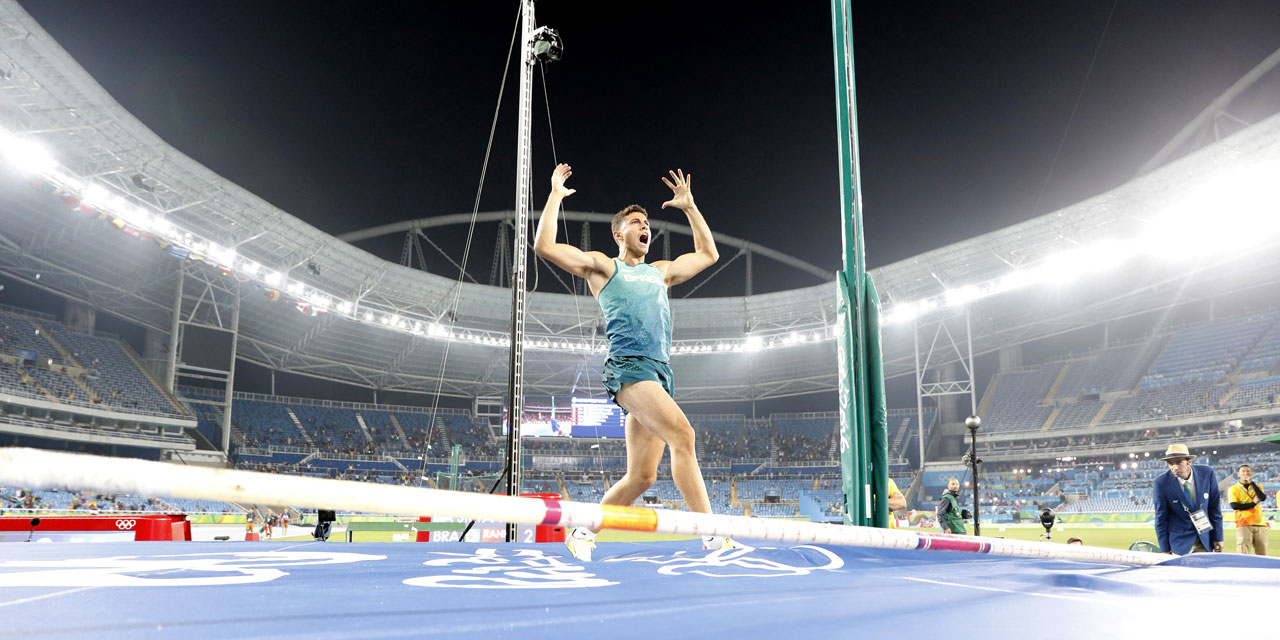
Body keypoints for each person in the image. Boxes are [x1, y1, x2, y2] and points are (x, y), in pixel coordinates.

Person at [534, 164, 730, 561]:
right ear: (618, 233)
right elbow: (546, 247)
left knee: (641, 476)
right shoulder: (606, 267)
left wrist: (690, 208)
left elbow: (709, 254)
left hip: (658, 374)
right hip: (630, 369)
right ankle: (712, 536)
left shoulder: (660, 272)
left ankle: (581, 533)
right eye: (637, 222)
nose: (646, 228)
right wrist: (555, 194)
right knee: (684, 436)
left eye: (648, 224)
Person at [1153, 444, 1223, 554]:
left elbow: (1214, 509)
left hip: (1205, 540)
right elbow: (1161, 519)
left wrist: (1218, 537)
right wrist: (1165, 549)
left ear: (1189, 461)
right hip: (1179, 543)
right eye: (1170, 463)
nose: (1174, 467)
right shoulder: (1161, 483)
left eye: (1178, 462)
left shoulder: (1207, 473)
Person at [1228, 464, 1268, 555]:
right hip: (1243, 523)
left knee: (1262, 552)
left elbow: (1262, 498)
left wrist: (1252, 483)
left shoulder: (1257, 486)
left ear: (1251, 473)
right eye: (1243, 471)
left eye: (1248, 471)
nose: (1246, 473)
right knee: (1243, 552)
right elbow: (1235, 506)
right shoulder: (1233, 488)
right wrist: (1253, 504)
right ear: (1238, 474)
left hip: (1259, 523)